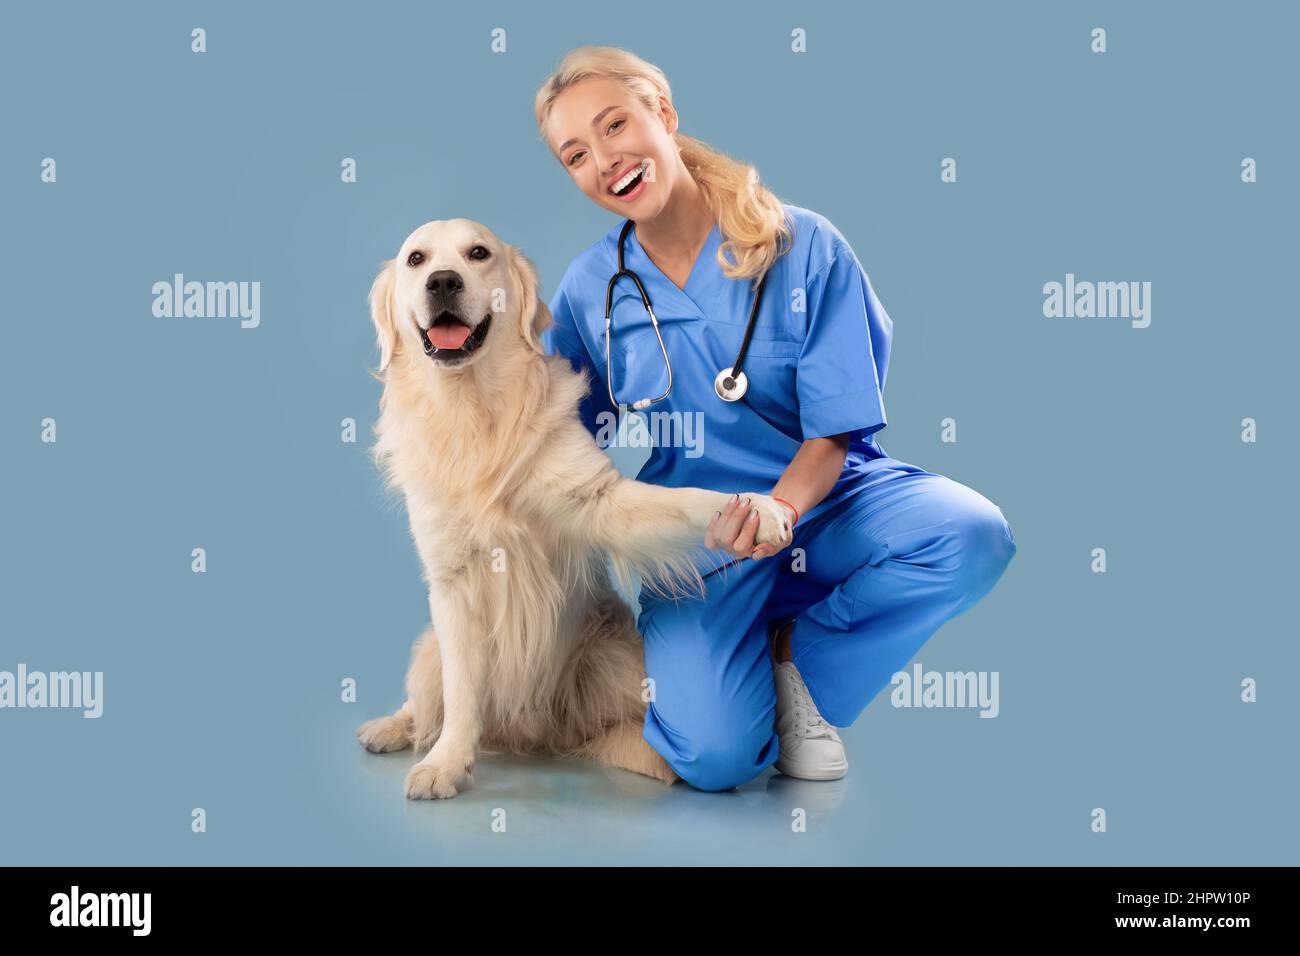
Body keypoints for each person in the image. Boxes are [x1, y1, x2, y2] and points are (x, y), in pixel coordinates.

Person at [534, 46, 1016, 791]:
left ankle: (798, 662)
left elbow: (834, 429)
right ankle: (730, 663)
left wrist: (782, 508)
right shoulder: (591, 287)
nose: (605, 159)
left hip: (829, 506)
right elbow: (565, 438)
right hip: (700, 540)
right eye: (575, 154)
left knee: (969, 533)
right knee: (717, 760)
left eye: (615, 125)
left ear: (662, 113)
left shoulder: (804, 245)